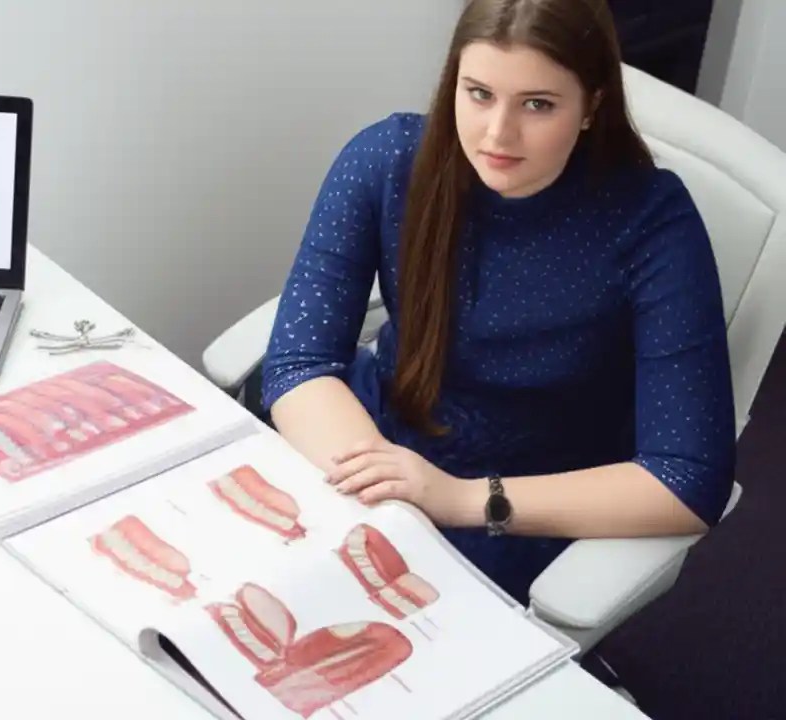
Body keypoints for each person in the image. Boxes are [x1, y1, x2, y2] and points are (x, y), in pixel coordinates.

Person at [258, 0, 736, 605]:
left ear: (591, 106)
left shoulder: (651, 223)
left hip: (522, 508)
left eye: (537, 104)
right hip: (368, 453)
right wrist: (386, 492)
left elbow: (689, 480)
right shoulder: (384, 162)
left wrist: (455, 499)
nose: (497, 134)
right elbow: (299, 363)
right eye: (478, 93)